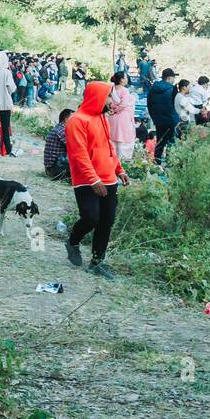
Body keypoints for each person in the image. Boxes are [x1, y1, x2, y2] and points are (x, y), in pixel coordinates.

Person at [65, 81, 129, 279]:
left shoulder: (102, 118)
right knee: (92, 218)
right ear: (97, 97)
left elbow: (108, 148)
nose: (111, 101)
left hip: (109, 178)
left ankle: (97, 261)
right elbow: (79, 154)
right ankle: (73, 241)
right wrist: (93, 179)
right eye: (109, 96)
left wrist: (119, 169)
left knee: (106, 221)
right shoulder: (77, 121)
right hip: (86, 180)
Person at [147, 68, 180, 165]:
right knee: (171, 143)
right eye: (173, 78)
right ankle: (170, 164)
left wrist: (154, 118)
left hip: (158, 121)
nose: (174, 80)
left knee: (160, 142)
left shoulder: (153, 88)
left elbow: (149, 104)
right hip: (171, 121)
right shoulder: (172, 89)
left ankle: (157, 163)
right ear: (169, 78)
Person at [107, 71, 136, 162]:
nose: (127, 79)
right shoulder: (124, 90)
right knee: (124, 139)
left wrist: (112, 110)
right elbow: (123, 105)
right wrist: (116, 110)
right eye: (126, 77)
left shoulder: (111, 89)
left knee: (114, 138)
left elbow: (109, 102)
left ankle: (113, 159)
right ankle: (122, 161)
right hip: (123, 118)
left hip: (113, 117)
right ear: (122, 80)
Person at [43, 108, 74, 180]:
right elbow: (75, 148)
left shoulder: (59, 128)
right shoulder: (62, 131)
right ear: (66, 120)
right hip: (54, 169)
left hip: (52, 167)